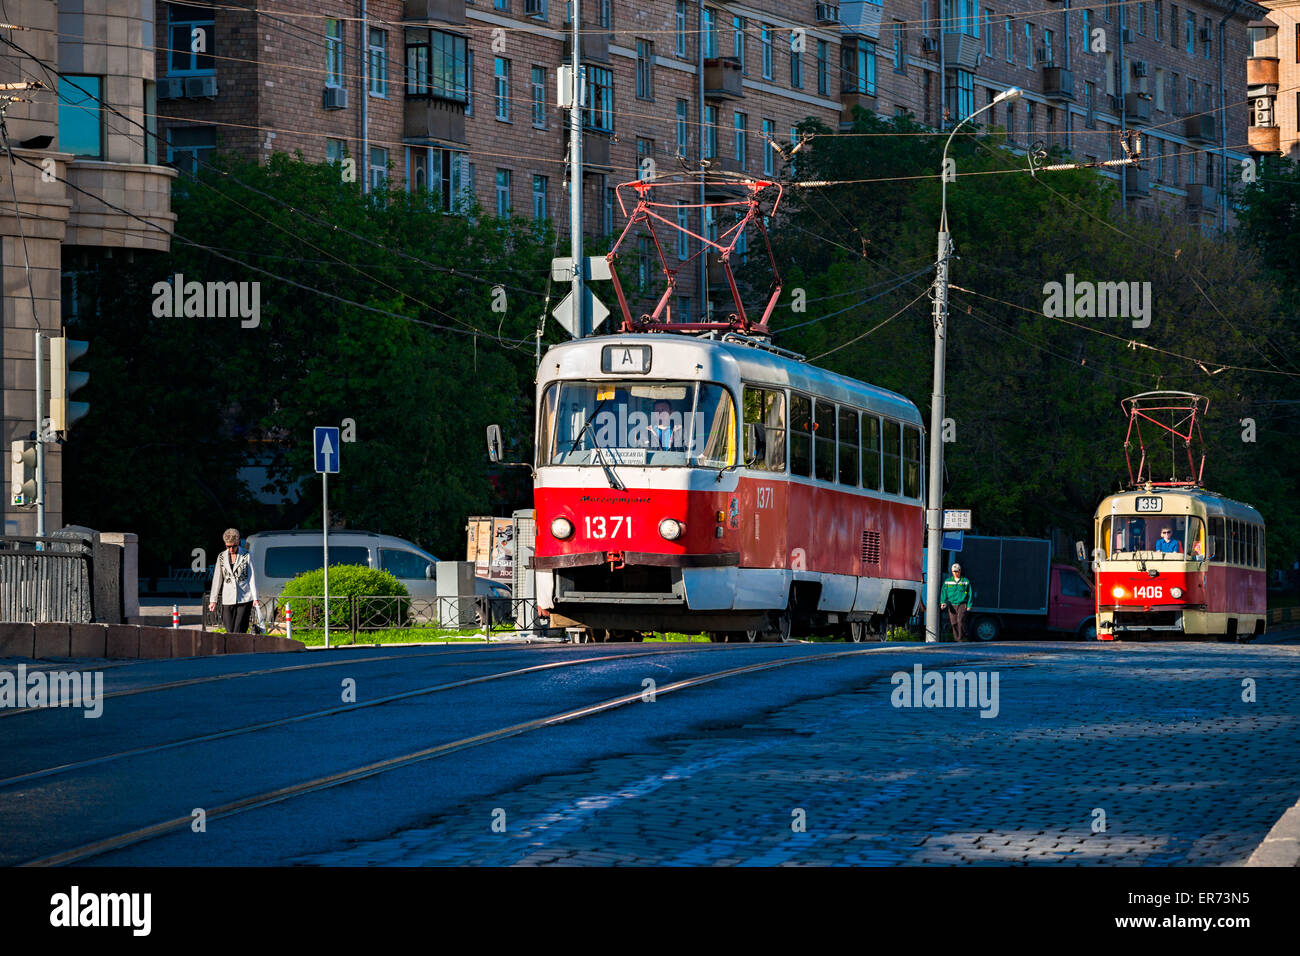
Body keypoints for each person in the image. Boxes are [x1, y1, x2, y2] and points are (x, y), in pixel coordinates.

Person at [208, 528, 261, 634]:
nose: (231, 549)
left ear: (238, 542)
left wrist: (255, 598)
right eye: (228, 546)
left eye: (233, 546)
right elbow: (217, 578)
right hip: (228, 597)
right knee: (229, 628)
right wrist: (213, 600)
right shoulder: (221, 556)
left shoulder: (247, 555)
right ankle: (233, 648)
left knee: (239, 629)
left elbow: (252, 577)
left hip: (244, 597)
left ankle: (239, 648)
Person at [939, 563, 975, 642]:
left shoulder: (965, 581)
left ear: (960, 571)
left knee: (960, 620)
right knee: (953, 623)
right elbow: (943, 592)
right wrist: (943, 602)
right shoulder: (948, 582)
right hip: (952, 605)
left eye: (957, 571)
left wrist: (969, 605)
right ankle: (958, 638)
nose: (955, 573)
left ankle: (960, 639)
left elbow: (970, 593)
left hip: (962, 604)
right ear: (952, 572)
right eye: (954, 571)